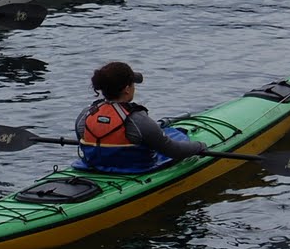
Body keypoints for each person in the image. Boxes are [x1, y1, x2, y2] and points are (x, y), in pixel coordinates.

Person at [75, 61, 208, 173]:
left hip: (93, 167)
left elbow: (84, 141)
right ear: (127, 89)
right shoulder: (138, 120)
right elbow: (174, 151)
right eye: (133, 84)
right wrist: (199, 146)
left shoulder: (86, 115)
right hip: (133, 169)